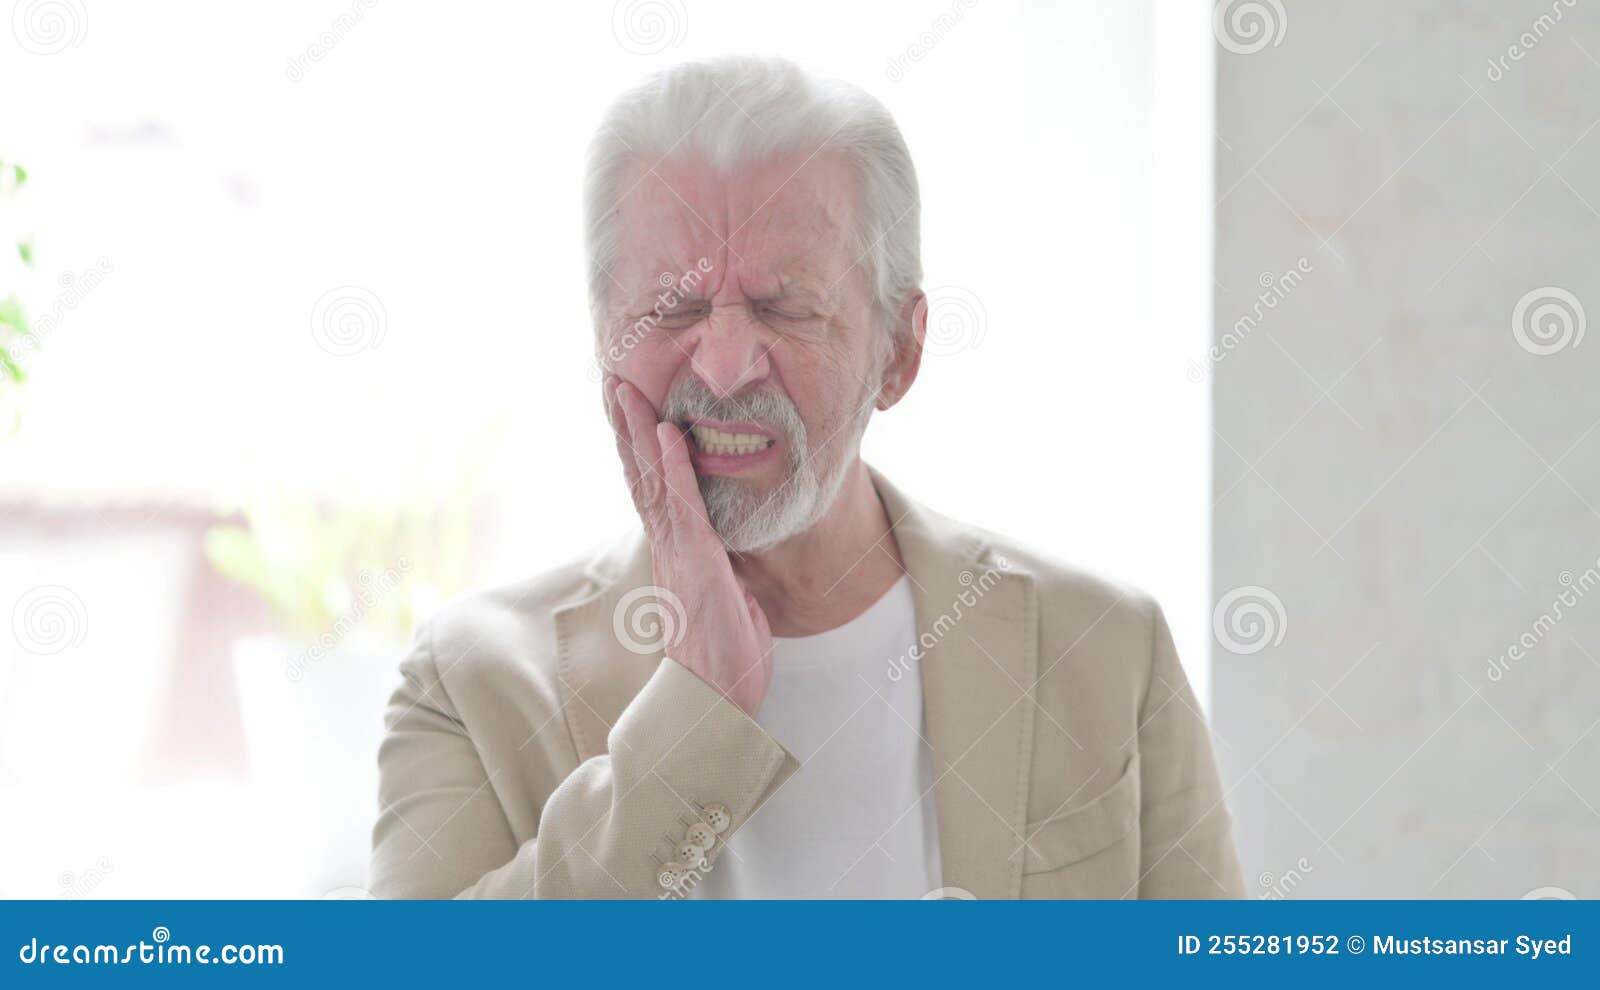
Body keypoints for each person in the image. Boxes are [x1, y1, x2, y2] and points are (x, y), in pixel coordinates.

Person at [370, 55, 1243, 899]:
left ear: (899, 351)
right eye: (671, 308)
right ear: (604, 336)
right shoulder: (469, 680)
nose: (720, 368)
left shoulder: (1107, 649)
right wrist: (694, 716)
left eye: (786, 308)